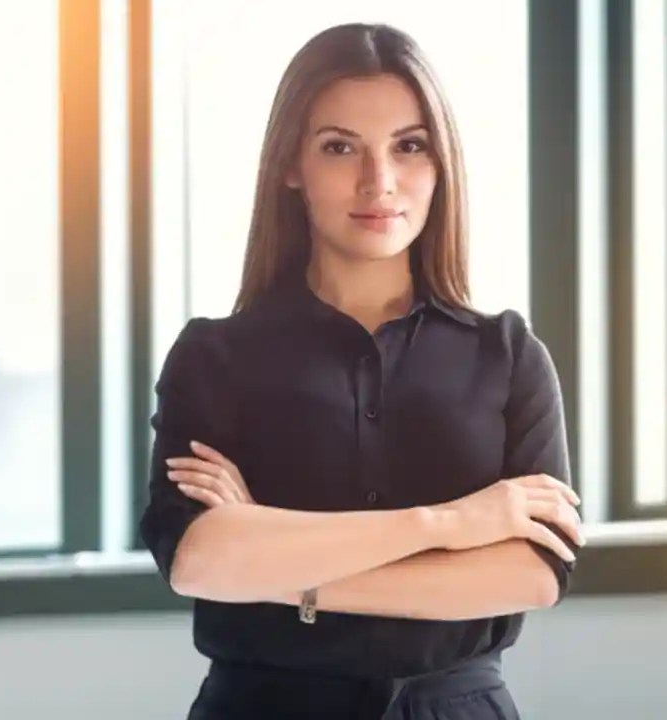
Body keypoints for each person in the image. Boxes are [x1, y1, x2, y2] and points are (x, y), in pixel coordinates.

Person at [139, 22, 584, 720]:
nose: (380, 182)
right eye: (340, 147)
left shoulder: (507, 355)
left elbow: (531, 575)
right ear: (291, 165)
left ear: (440, 163)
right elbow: (199, 561)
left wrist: (287, 571)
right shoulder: (213, 357)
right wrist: (451, 523)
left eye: (409, 146)